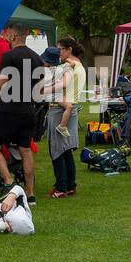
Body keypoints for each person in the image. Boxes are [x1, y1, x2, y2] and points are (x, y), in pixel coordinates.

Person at [0, 24, 43, 201]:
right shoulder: (37, 58)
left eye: (7, 36)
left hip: (9, 108)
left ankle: (8, 182)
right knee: (26, 150)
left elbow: (0, 82)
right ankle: (30, 193)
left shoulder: (9, 55)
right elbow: (40, 89)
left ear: (13, 36)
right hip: (28, 109)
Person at [43, 36, 87, 198]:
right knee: (66, 150)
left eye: (60, 49)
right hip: (70, 108)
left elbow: (60, 85)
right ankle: (69, 185)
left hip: (60, 109)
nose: (58, 52)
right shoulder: (78, 66)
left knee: (57, 150)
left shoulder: (69, 67)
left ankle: (61, 187)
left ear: (69, 49)